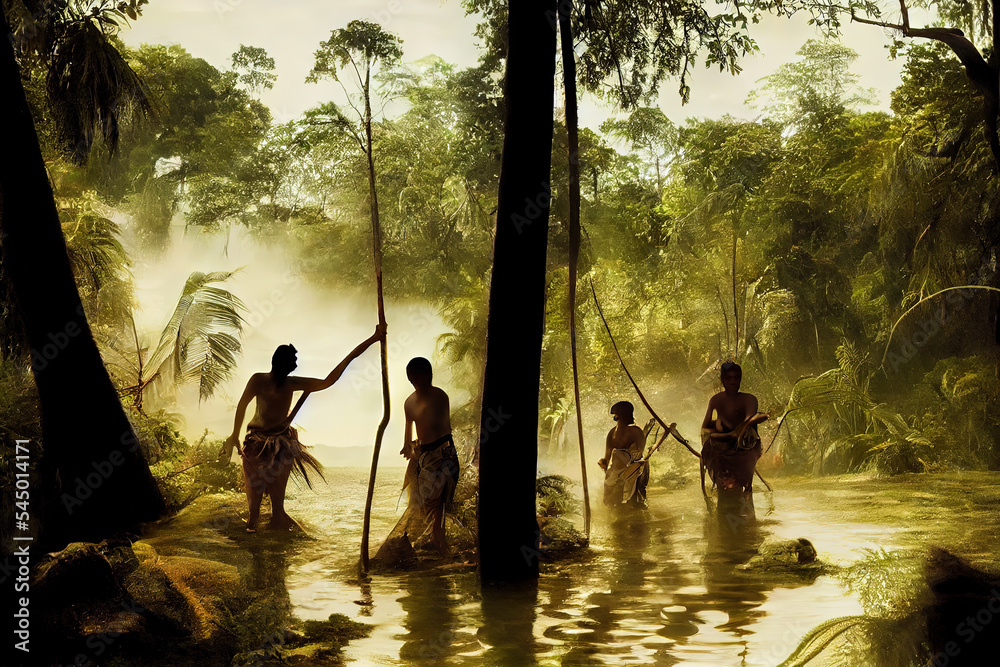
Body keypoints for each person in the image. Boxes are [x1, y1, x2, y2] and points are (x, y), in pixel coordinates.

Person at [221, 324, 385, 532]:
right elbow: (242, 404)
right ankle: (252, 535)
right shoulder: (258, 380)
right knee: (253, 509)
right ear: (279, 364)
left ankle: (278, 537)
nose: (295, 367)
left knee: (278, 508)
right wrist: (234, 435)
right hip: (256, 444)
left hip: (281, 445)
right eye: (292, 363)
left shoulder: (293, 383)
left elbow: (330, 380)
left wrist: (372, 339)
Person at [400, 357, 459, 555]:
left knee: (436, 499)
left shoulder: (439, 396)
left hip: (443, 452)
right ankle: (436, 540)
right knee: (422, 499)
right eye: (414, 377)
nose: (418, 380)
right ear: (411, 378)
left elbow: (436, 424)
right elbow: (409, 431)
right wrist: (408, 447)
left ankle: (438, 541)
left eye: (422, 376)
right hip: (424, 454)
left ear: (429, 376)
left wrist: (420, 449)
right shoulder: (409, 403)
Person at [700, 361, 768, 494]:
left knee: (745, 461)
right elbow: (705, 427)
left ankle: (745, 490)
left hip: (744, 445)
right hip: (720, 445)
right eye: (728, 378)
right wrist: (715, 436)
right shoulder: (716, 400)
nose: (733, 382)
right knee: (711, 452)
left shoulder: (749, 399)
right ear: (722, 380)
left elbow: (748, 421)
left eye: (736, 378)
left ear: (740, 379)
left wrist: (737, 433)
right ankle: (722, 486)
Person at [598, 401, 649, 508]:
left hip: (634, 468)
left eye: (617, 414)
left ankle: (640, 503)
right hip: (617, 469)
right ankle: (611, 505)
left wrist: (636, 455)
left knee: (638, 484)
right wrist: (604, 463)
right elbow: (607, 457)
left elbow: (640, 452)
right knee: (609, 484)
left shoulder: (635, 431)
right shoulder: (612, 433)